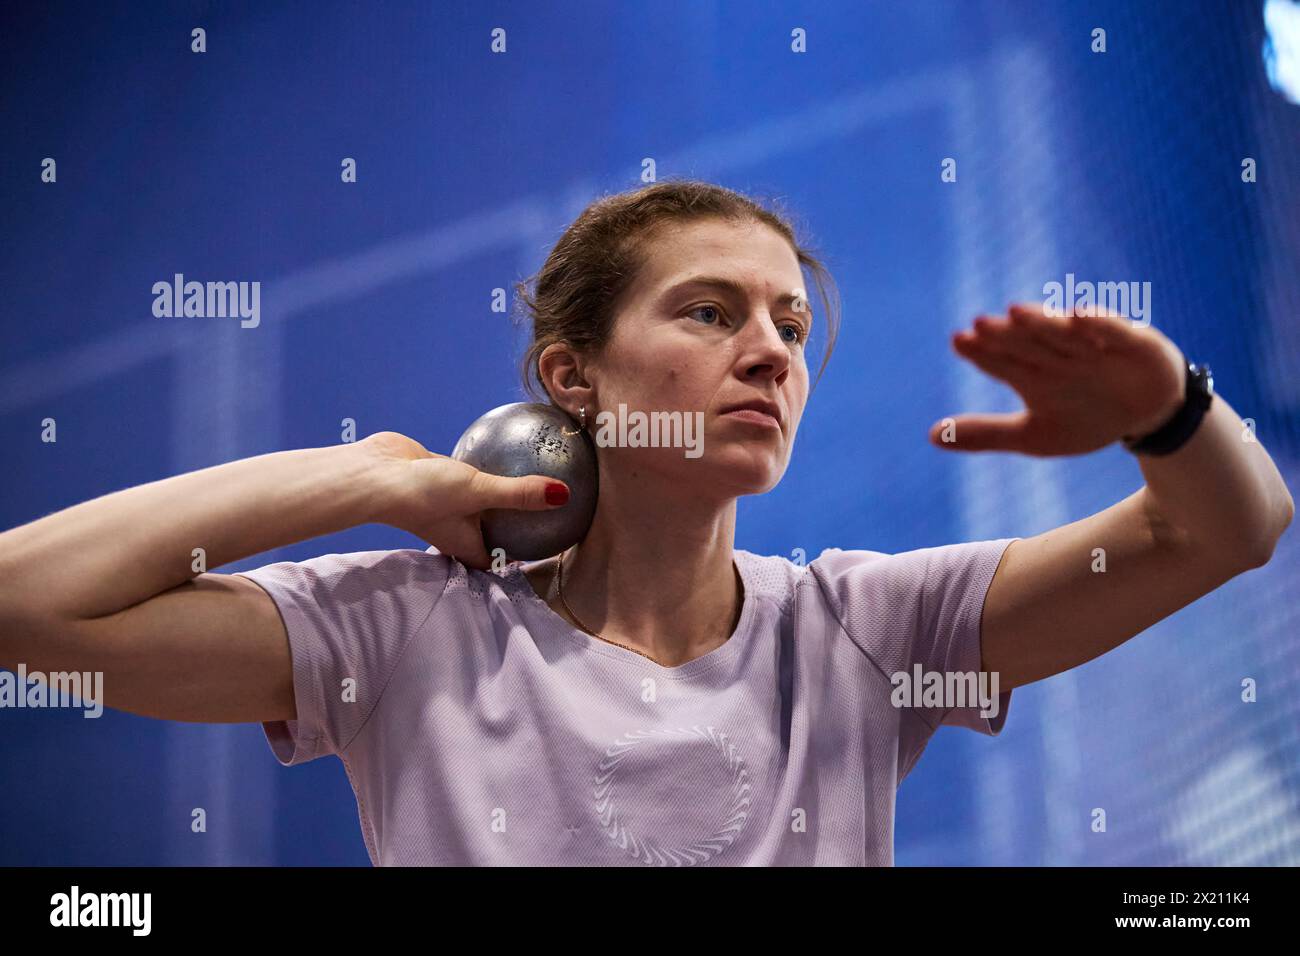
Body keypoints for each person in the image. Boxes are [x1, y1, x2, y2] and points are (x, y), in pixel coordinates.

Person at [0, 180, 1291, 866]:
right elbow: (24, 608)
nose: (772, 354)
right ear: (573, 377)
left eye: (790, 324)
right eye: (710, 312)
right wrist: (368, 475)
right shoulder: (401, 631)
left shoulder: (872, 630)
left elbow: (1226, 530)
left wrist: (1170, 410)